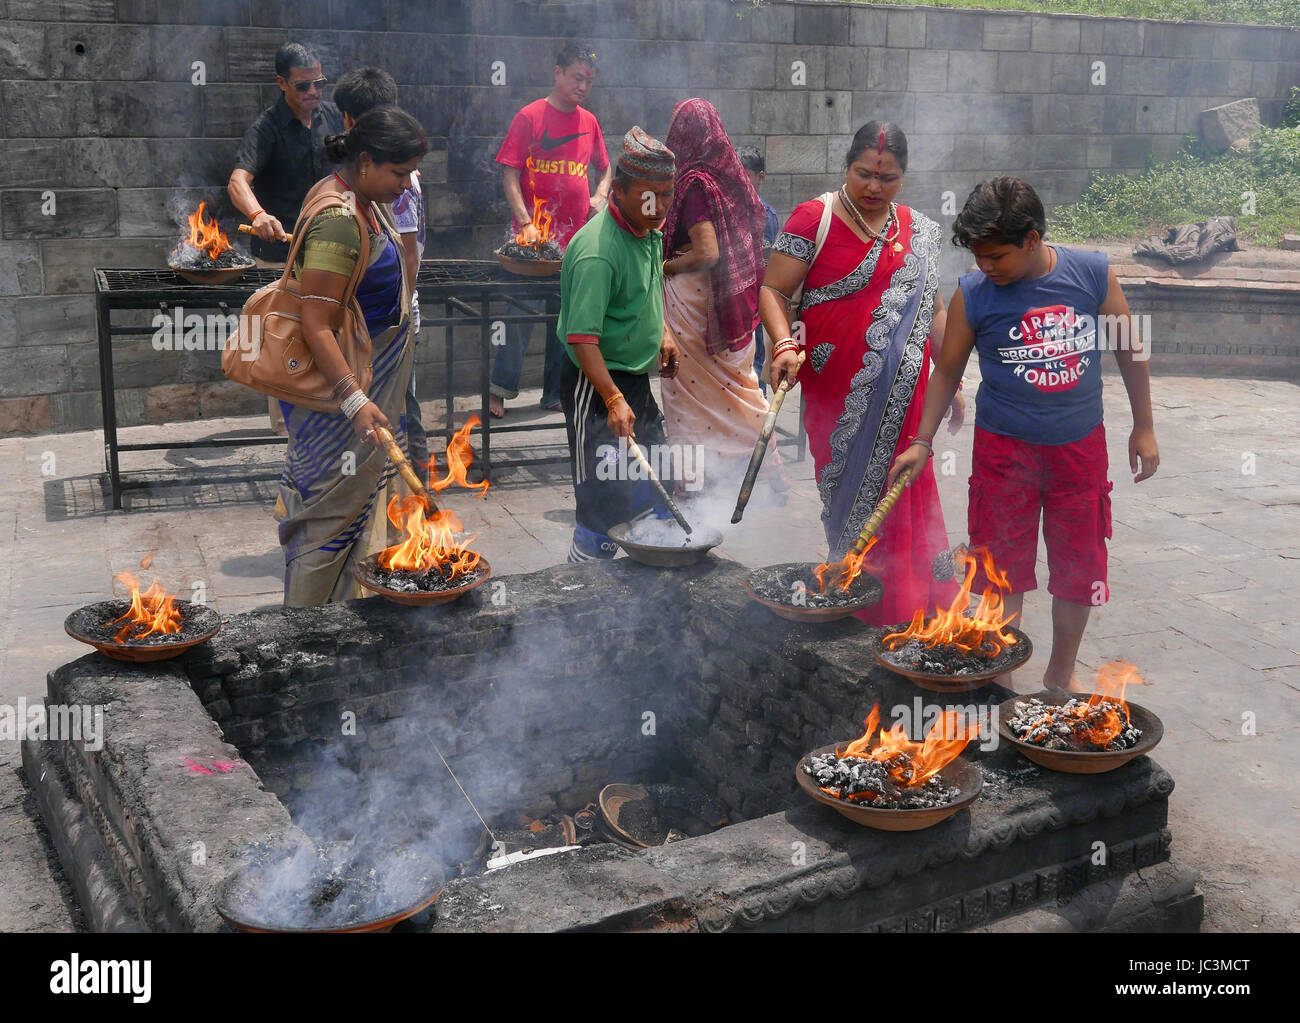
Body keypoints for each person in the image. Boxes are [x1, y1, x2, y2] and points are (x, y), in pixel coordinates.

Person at [887, 177, 1159, 691]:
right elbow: (946, 371)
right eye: (978, 257)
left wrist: (1144, 426)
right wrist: (922, 442)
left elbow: (1129, 348)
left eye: (996, 257)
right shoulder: (974, 294)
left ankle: (1060, 673)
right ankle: (1001, 676)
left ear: (1032, 239)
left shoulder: (1092, 274)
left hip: (1078, 449)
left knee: (1080, 565)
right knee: (997, 566)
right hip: (1003, 452)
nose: (986, 267)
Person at [763, 122, 964, 626]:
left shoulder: (918, 231)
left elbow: (931, 306)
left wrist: (950, 378)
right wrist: (784, 343)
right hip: (838, 399)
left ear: (903, 176)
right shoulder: (815, 218)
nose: (874, 187)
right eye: (864, 174)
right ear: (846, 166)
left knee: (907, 495)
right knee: (851, 497)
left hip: (909, 399)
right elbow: (772, 290)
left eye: (888, 178)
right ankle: (864, 605)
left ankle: (916, 609)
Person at [277, 106, 428, 606]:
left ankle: (338, 631)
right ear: (366, 161)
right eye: (399, 173)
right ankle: (301, 637)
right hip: (338, 405)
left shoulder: (363, 199)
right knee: (327, 523)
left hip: (365, 390)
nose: (407, 186)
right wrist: (354, 401)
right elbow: (314, 323)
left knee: (355, 519)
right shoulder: (339, 220)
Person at [557, 127, 681, 563]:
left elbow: (647, 289)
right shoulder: (597, 251)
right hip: (594, 385)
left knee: (656, 479)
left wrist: (661, 331)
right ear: (621, 191)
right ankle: (580, 584)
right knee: (602, 494)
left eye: (668, 195)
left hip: (631, 381)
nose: (660, 206)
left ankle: (642, 598)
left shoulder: (649, 228)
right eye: (651, 195)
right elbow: (582, 337)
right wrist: (611, 398)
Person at [659, 98, 776, 498]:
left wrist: (664, 266)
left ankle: (695, 484)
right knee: (735, 390)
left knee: (690, 400)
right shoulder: (727, 177)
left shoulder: (694, 183)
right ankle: (761, 467)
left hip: (697, 312)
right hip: (730, 305)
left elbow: (707, 253)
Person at [491, 41, 612, 418]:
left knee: (567, 320)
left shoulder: (589, 122)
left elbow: (606, 167)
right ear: (557, 73)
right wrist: (525, 222)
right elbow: (509, 170)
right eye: (577, 77)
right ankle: (499, 389)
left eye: (589, 81)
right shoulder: (530, 116)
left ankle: (554, 393)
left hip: (575, 241)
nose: (582, 87)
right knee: (518, 315)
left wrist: (601, 194)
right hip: (532, 241)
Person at [333, 67, 429, 473]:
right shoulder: (355, 188)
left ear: (353, 123)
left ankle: (416, 483)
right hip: (375, 325)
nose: (404, 182)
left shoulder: (395, 180)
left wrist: (398, 320)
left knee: (397, 411)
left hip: (389, 322)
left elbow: (408, 255)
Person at [228, 42, 344, 265]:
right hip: (280, 255)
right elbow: (237, 182)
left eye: (319, 83)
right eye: (303, 86)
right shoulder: (265, 129)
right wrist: (257, 215)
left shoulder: (335, 116)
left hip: (328, 249)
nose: (313, 91)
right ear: (282, 83)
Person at [737, 144, 781, 390]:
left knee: (756, 360)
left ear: (759, 177)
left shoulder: (767, 215)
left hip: (755, 299)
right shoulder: (728, 209)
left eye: (745, 174)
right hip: (733, 300)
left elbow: (766, 261)